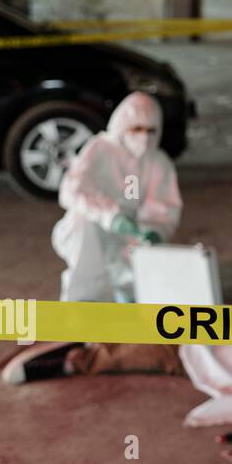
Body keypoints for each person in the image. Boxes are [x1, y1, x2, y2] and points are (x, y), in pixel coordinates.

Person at [52, 90, 182, 304]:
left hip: (131, 230)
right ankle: (82, 304)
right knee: (82, 230)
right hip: (93, 223)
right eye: (137, 128)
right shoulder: (100, 149)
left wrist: (154, 230)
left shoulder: (157, 161)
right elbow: (72, 189)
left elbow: (163, 204)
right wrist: (109, 215)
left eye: (150, 130)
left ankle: (128, 295)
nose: (144, 136)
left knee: (139, 277)